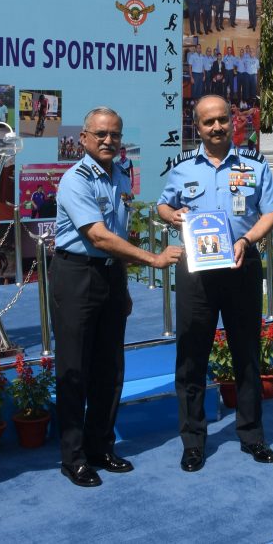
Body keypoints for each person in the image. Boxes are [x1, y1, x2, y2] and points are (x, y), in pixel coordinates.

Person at [51, 107, 182, 488]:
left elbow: (119, 233)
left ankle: (101, 447)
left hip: (110, 275)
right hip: (77, 274)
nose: (109, 141)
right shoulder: (75, 180)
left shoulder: (122, 174)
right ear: (84, 139)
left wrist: (122, 286)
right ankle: (73, 457)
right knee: (74, 369)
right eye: (101, 134)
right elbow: (98, 236)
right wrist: (153, 259)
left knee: (109, 368)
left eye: (115, 135)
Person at [157, 95, 273, 473]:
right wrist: (172, 215)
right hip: (196, 272)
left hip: (241, 266)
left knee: (246, 354)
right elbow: (163, 205)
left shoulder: (254, 165)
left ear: (233, 121)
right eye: (208, 122)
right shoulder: (183, 167)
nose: (217, 127)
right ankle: (193, 442)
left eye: (222, 120)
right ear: (197, 127)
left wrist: (247, 239)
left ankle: (252, 435)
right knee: (191, 357)